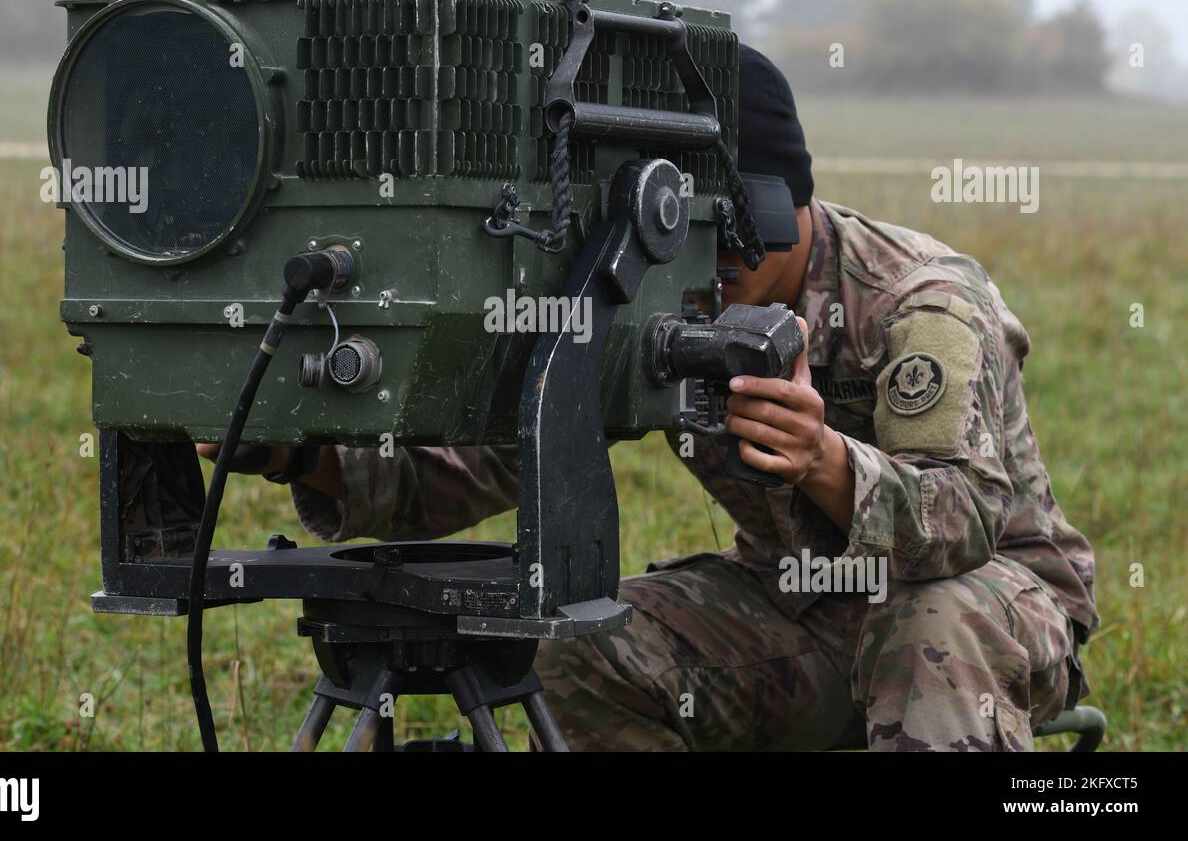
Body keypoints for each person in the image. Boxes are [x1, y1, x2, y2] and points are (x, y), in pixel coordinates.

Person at [199, 45, 1098, 751]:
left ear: (786, 205)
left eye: (733, 240)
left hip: (986, 608)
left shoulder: (922, 301)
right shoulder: (662, 297)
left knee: (927, 624)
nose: (711, 272)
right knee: (583, 649)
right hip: (793, 610)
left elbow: (966, 517)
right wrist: (303, 455)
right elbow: (507, 452)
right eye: (689, 242)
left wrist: (830, 462)